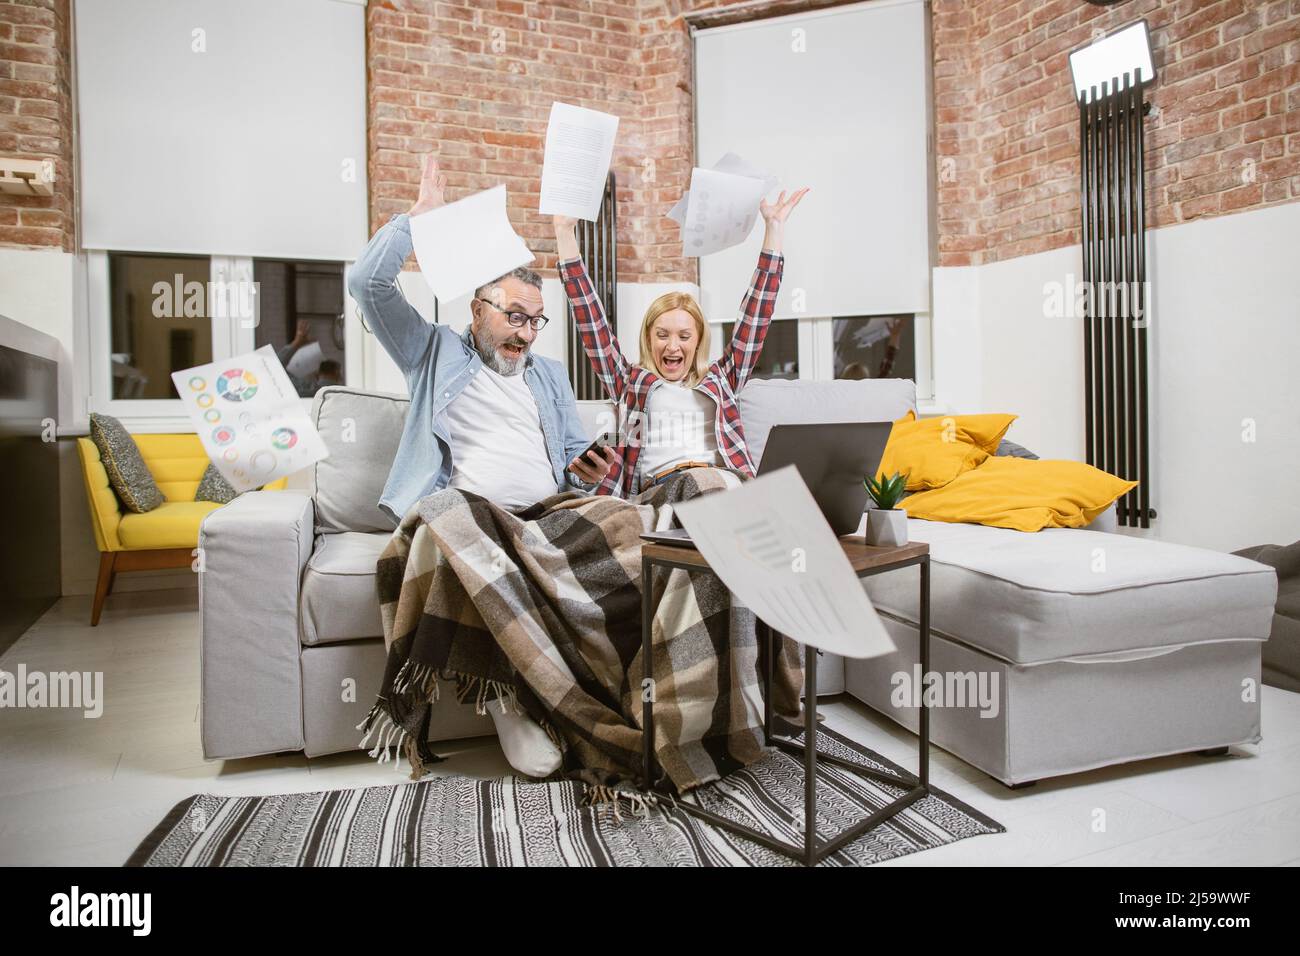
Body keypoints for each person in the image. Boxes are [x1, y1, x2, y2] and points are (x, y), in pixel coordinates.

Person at [348, 155, 618, 777]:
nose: (525, 332)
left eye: (535, 319)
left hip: (545, 514)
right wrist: (413, 223)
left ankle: (598, 699)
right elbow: (368, 285)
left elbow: (573, 460)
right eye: (512, 316)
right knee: (457, 517)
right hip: (465, 511)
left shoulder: (549, 375)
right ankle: (504, 702)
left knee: (630, 526)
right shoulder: (432, 351)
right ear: (477, 310)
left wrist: (590, 475)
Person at [553, 185, 808, 498]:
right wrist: (564, 234)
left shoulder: (722, 378)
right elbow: (591, 321)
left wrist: (774, 229)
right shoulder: (630, 381)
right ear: (648, 337)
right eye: (662, 335)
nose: (672, 346)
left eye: (684, 336)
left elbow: (755, 317)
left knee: (723, 490)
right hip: (661, 491)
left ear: (698, 341)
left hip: (723, 484)